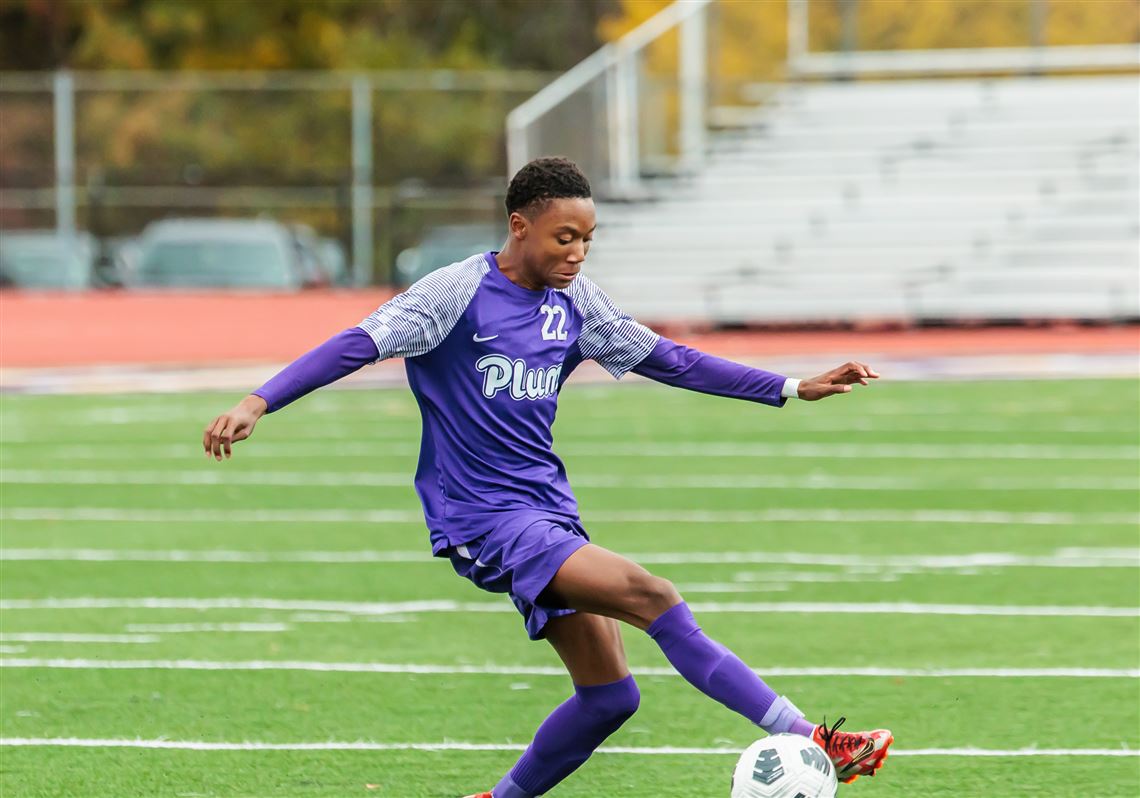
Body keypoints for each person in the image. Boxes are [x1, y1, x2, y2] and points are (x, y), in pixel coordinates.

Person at [203, 157, 892, 797]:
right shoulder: (455, 292)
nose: (577, 253)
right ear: (519, 225)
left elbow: (671, 360)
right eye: (564, 237)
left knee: (610, 697)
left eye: (588, 240)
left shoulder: (577, 304)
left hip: (546, 509)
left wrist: (792, 386)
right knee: (651, 593)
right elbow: (358, 343)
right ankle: (809, 738)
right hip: (482, 515)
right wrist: (259, 400)